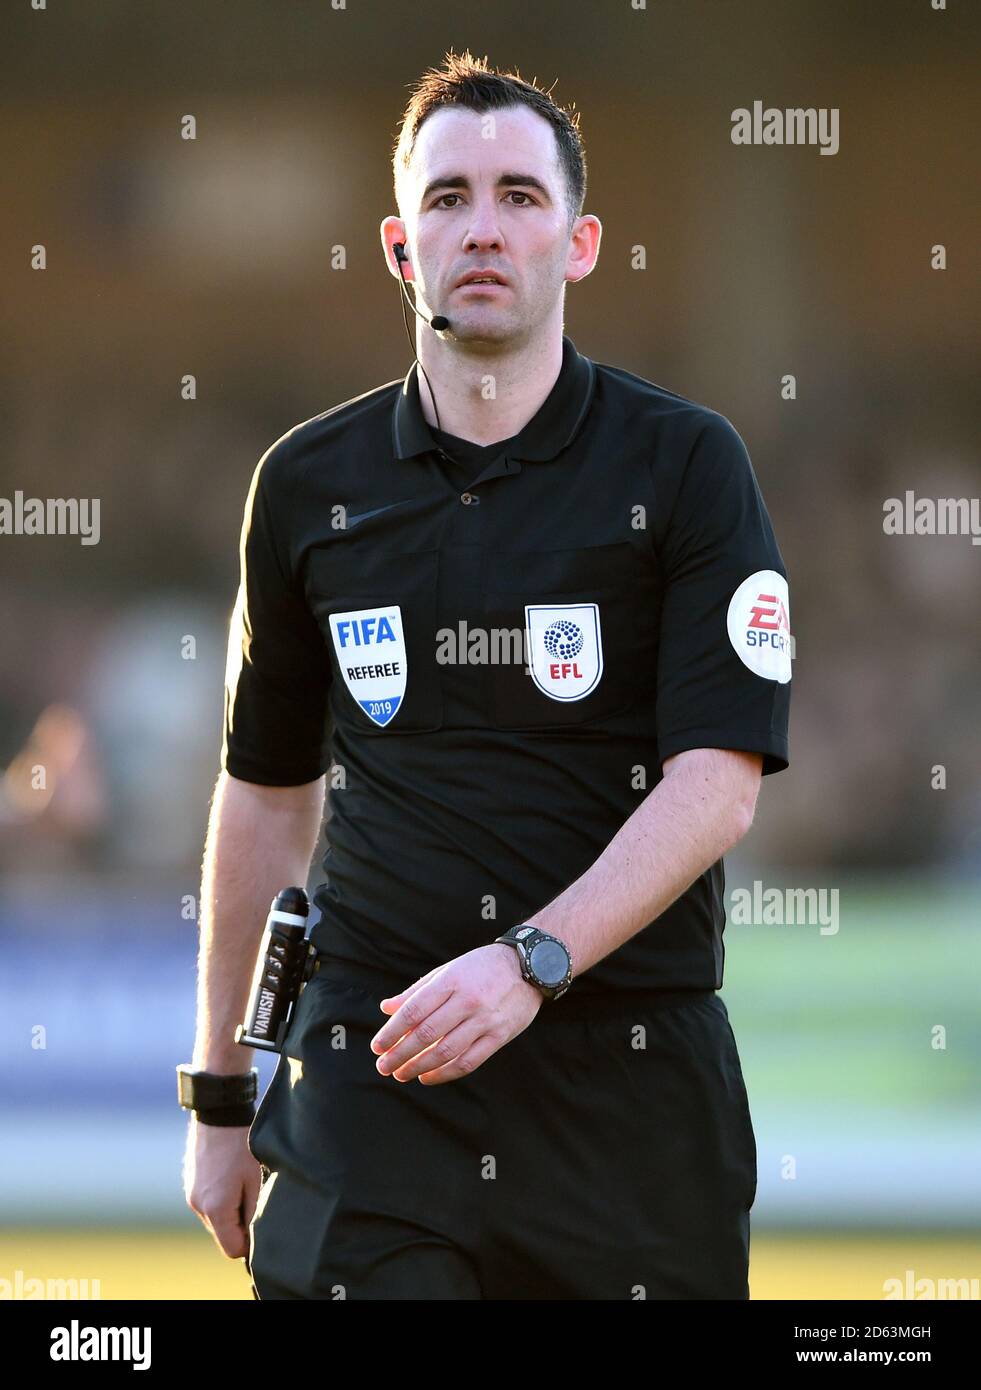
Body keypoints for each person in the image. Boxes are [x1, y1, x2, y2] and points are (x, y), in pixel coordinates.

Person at [181, 49, 792, 1300]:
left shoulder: (685, 467)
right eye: (449, 197)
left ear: (580, 243)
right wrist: (222, 1090)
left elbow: (718, 783)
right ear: (402, 248)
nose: (484, 226)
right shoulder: (307, 486)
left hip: (628, 1081)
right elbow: (263, 797)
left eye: (521, 196)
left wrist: (527, 964)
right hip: (375, 1069)